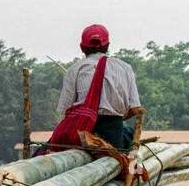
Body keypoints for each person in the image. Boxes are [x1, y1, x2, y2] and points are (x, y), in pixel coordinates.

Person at [51, 24, 143, 152]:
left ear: (82, 47)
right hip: (113, 137)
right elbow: (135, 109)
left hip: (81, 135)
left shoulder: (74, 70)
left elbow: (66, 109)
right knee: (128, 133)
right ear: (107, 46)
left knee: (45, 149)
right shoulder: (125, 68)